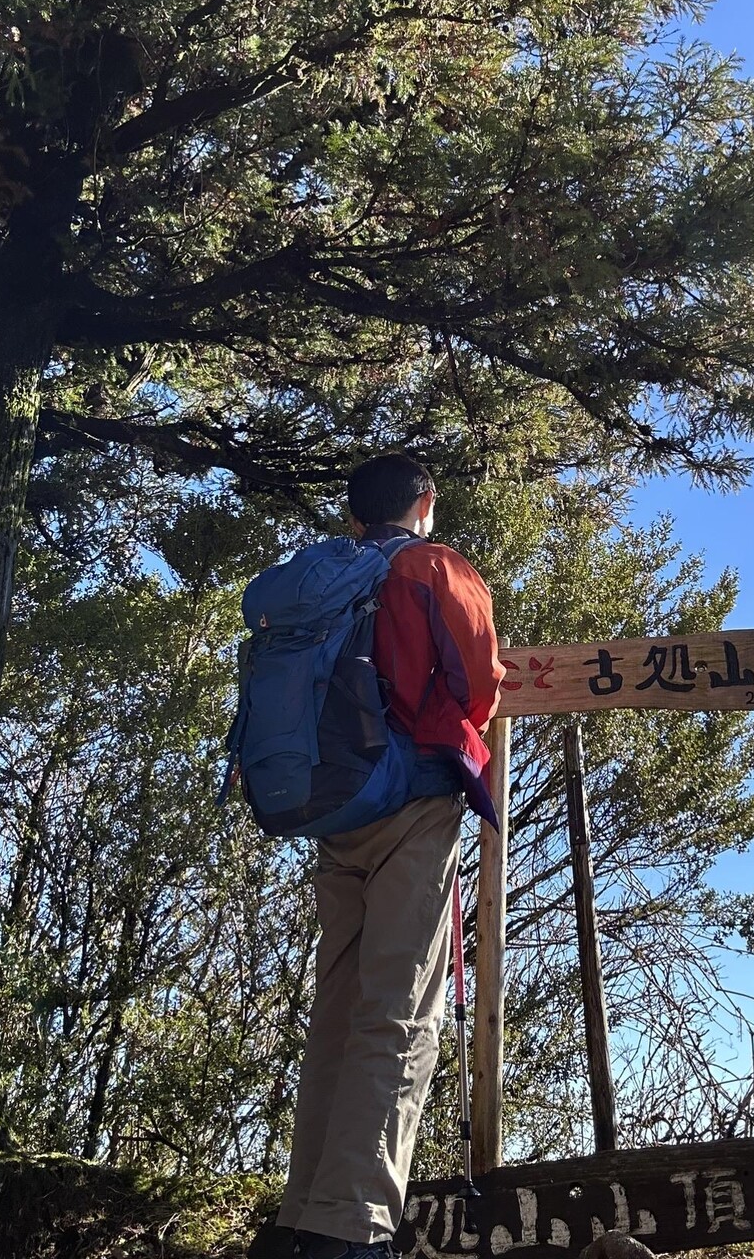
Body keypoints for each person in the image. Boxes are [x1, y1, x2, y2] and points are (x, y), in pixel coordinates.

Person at [276, 453, 506, 1259]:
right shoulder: (433, 566)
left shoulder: (323, 574)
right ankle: (352, 1228)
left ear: (353, 516)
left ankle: (303, 1215)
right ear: (426, 504)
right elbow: (481, 685)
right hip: (411, 800)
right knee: (400, 1012)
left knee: (336, 1010)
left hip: (331, 807)